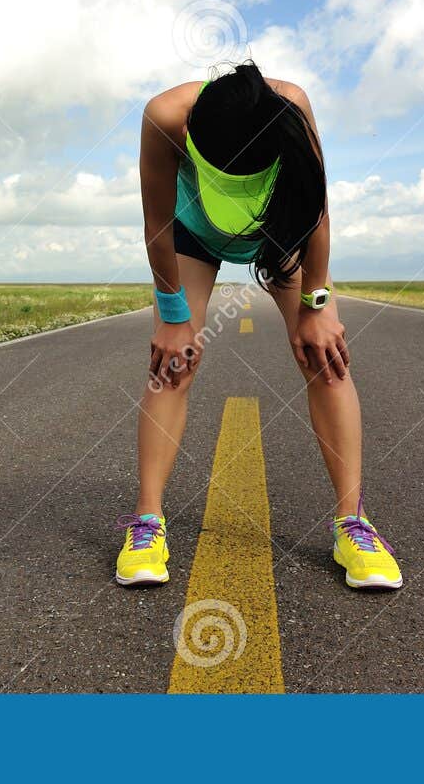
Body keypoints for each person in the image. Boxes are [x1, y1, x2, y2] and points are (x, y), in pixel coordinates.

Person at [114, 61, 402, 590]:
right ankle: (147, 524)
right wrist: (174, 318)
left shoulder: (291, 105)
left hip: (280, 228)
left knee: (325, 358)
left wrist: (317, 302)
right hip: (193, 233)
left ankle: (354, 525)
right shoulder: (164, 116)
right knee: (171, 365)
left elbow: (316, 205)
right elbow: (156, 221)